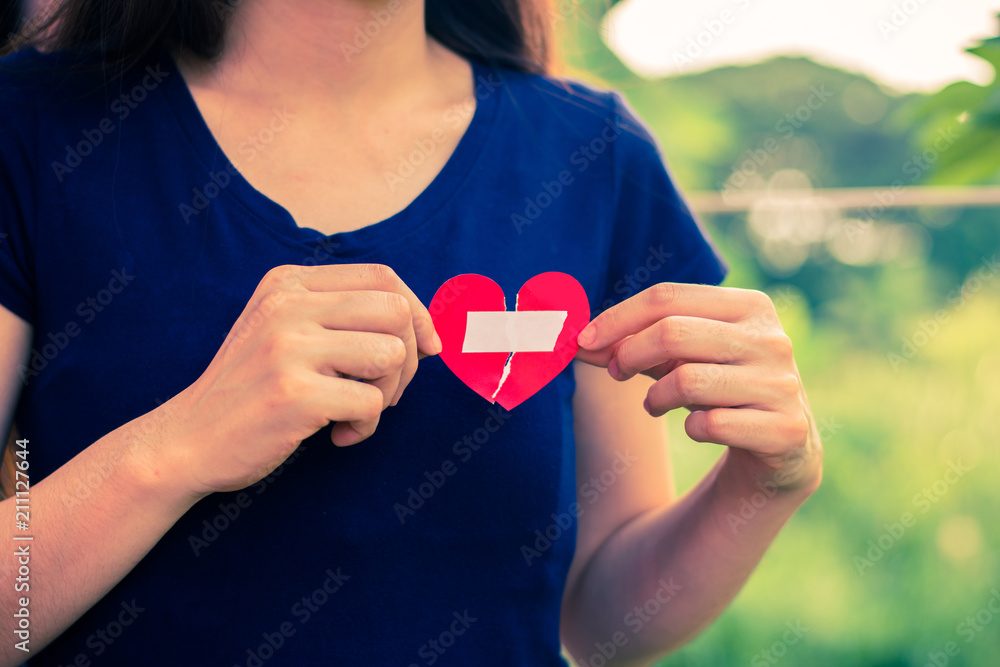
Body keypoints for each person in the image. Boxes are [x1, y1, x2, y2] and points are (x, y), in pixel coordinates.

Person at [0, 1, 823, 665]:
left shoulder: (591, 155)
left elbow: (603, 616)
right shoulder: (29, 127)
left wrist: (760, 484)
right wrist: (176, 446)